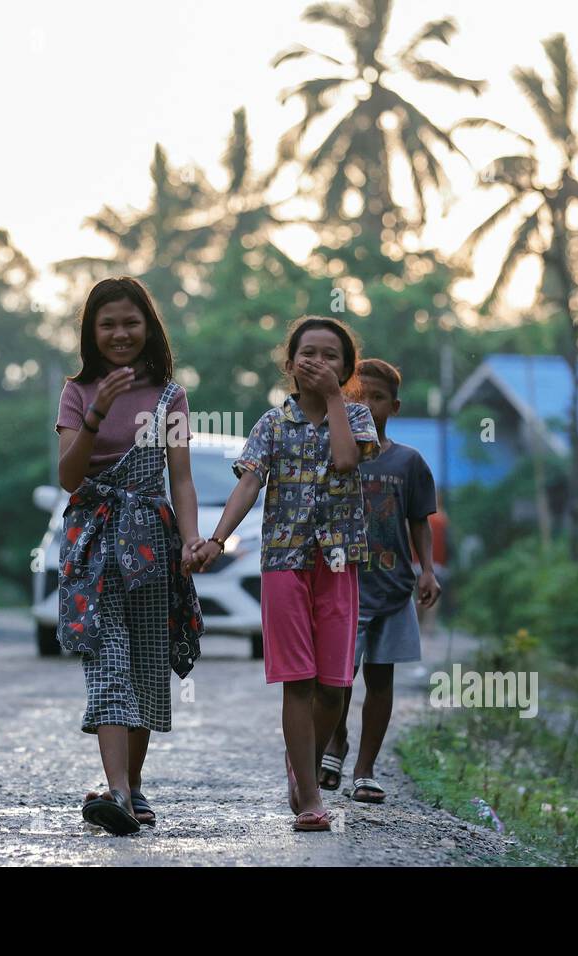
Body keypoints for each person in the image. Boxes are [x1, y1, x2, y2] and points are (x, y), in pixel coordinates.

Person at [192, 317, 379, 831]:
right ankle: (312, 794)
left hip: (338, 560)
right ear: (290, 363)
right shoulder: (271, 425)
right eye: (308, 353)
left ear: (346, 369)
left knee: (334, 686)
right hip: (284, 560)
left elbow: (344, 460)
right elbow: (249, 486)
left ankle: (304, 768)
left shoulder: (358, 417)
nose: (317, 361)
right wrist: (216, 538)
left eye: (331, 355)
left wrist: (335, 400)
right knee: (297, 680)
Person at [54, 276, 205, 835]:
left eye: (131, 322)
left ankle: (131, 788)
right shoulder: (76, 391)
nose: (120, 333)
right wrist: (97, 412)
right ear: (92, 331)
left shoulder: (170, 396)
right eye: (108, 323)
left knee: (144, 664)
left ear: (149, 327)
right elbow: (69, 477)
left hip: (151, 545)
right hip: (93, 545)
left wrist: (191, 540)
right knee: (108, 660)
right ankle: (116, 790)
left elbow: (181, 479)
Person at [319, 359, 440, 802]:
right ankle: (335, 742)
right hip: (343, 585)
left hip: (391, 589)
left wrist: (426, 569)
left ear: (395, 405)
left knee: (381, 679)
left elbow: (419, 522)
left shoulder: (409, 462)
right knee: (338, 678)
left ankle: (365, 769)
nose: (366, 405)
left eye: (377, 397)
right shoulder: (334, 453)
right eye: (356, 396)